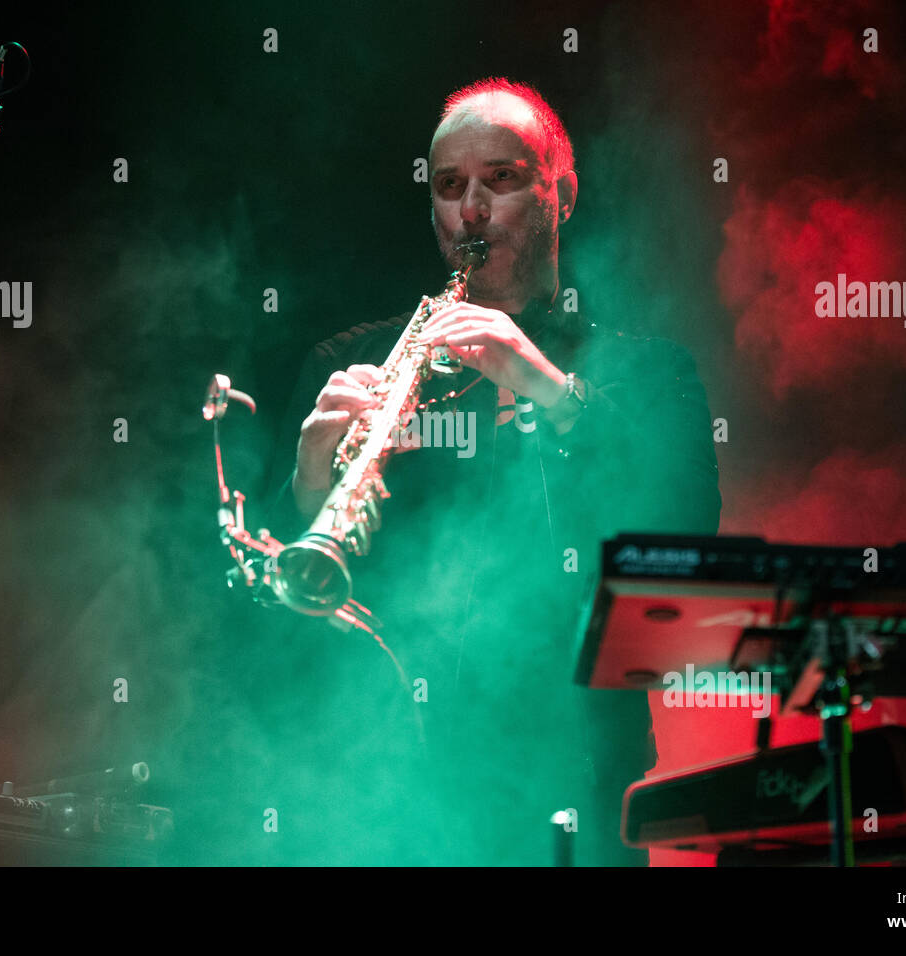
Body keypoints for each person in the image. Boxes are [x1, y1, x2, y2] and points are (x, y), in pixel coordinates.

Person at [261, 78, 721, 865]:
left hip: (576, 776)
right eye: (449, 187)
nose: (470, 209)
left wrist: (553, 390)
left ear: (562, 194)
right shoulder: (348, 363)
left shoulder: (650, 372)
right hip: (375, 782)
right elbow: (271, 607)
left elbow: (685, 523)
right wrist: (309, 483)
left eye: (501, 179)